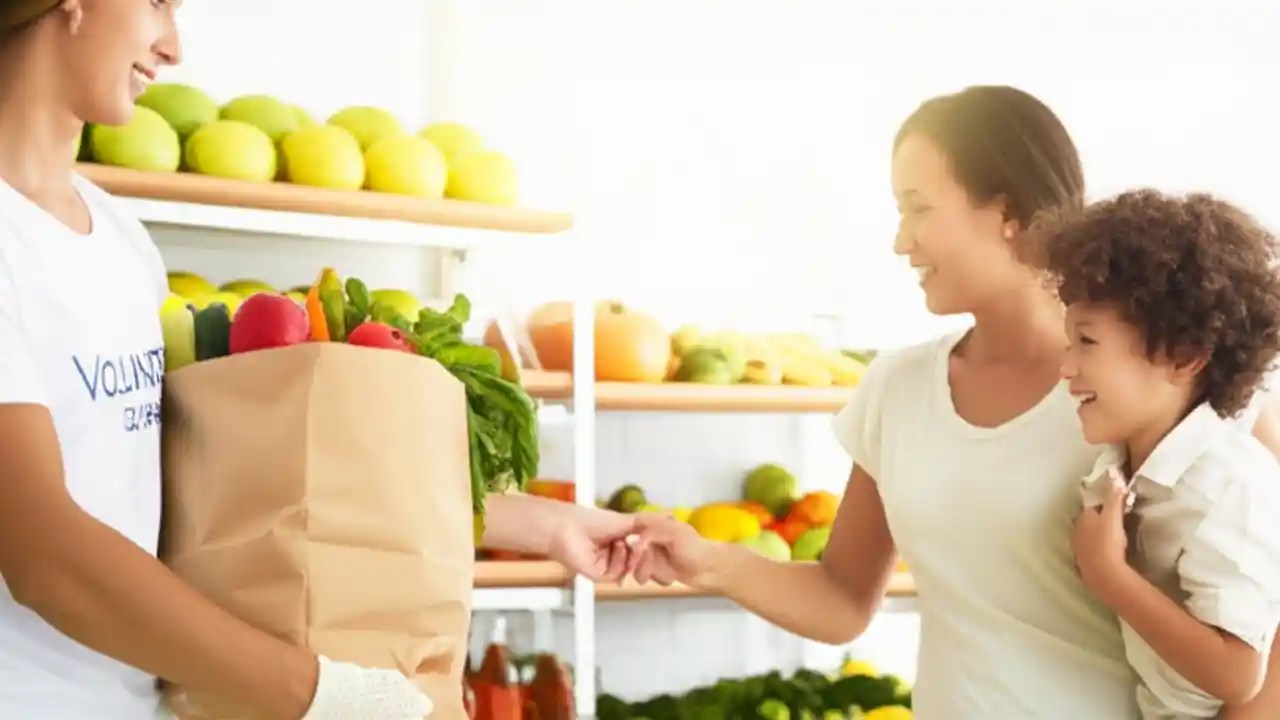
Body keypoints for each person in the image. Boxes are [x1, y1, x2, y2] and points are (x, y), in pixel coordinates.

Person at [0, 2, 637, 719]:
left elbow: (207, 472)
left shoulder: (117, 235)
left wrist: (538, 526)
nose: (173, 47)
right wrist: (316, 692)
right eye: (157, 3)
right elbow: (43, 555)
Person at [627, 85, 1280, 719]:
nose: (899, 240)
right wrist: (705, 560)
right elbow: (841, 598)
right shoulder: (898, 388)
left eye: (917, 208)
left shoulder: (1152, 383)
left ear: (1005, 213)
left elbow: (1258, 629)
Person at [1039, 189, 1280, 718]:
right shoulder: (1125, 463)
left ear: (1183, 356)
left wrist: (1111, 578)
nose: (1066, 368)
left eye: (1087, 342)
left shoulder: (1229, 486)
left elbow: (1239, 676)